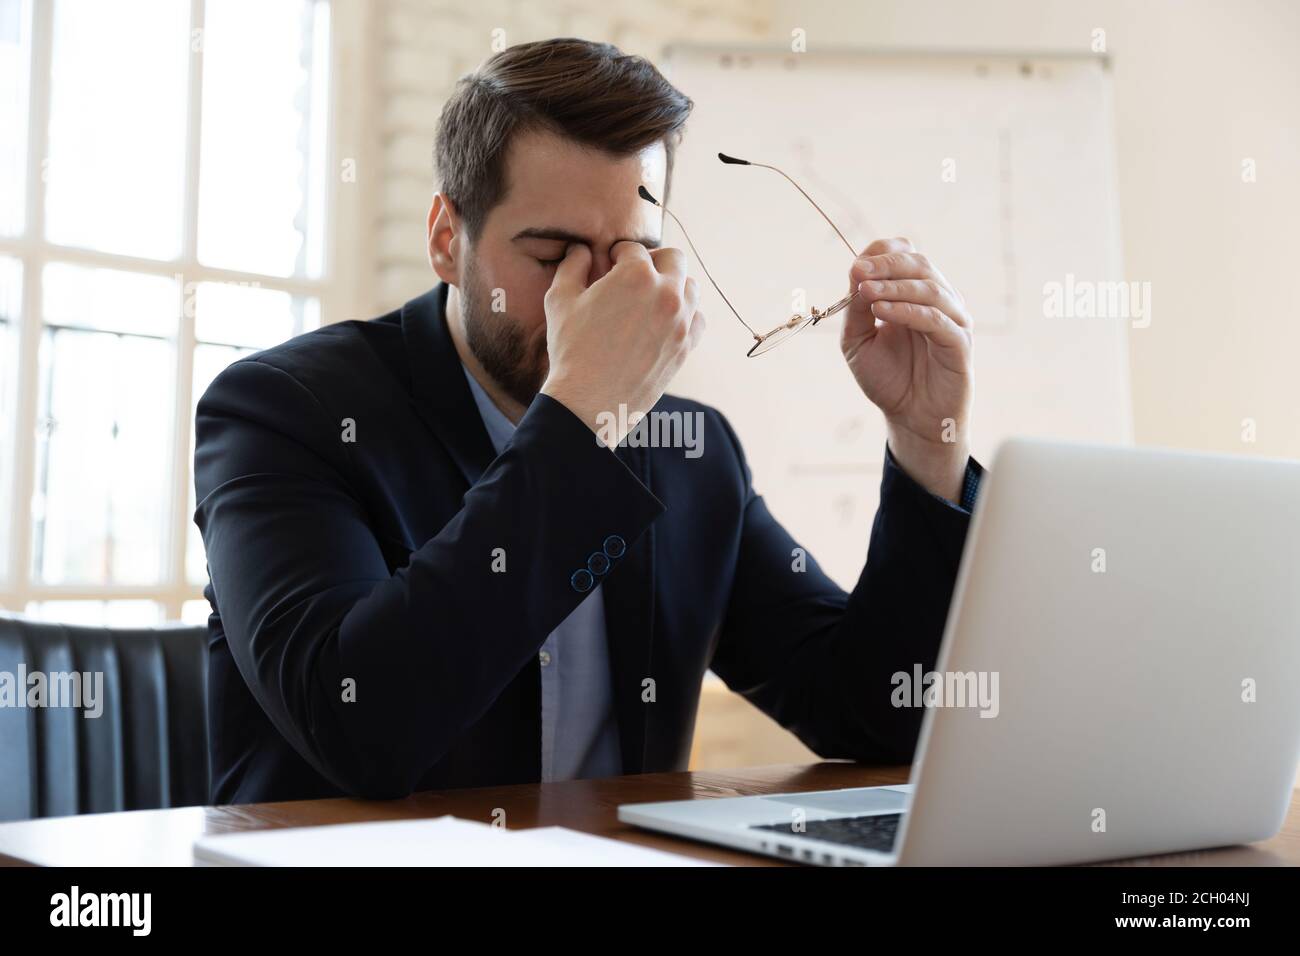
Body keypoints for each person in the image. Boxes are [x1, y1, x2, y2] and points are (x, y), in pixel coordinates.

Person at [193, 38, 981, 805]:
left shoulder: (692, 452)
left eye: (633, 253)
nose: (601, 298)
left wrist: (923, 441)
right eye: (552, 256)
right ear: (445, 240)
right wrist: (583, 418)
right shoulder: (284, 413)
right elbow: (361, 724)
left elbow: (876, 716)